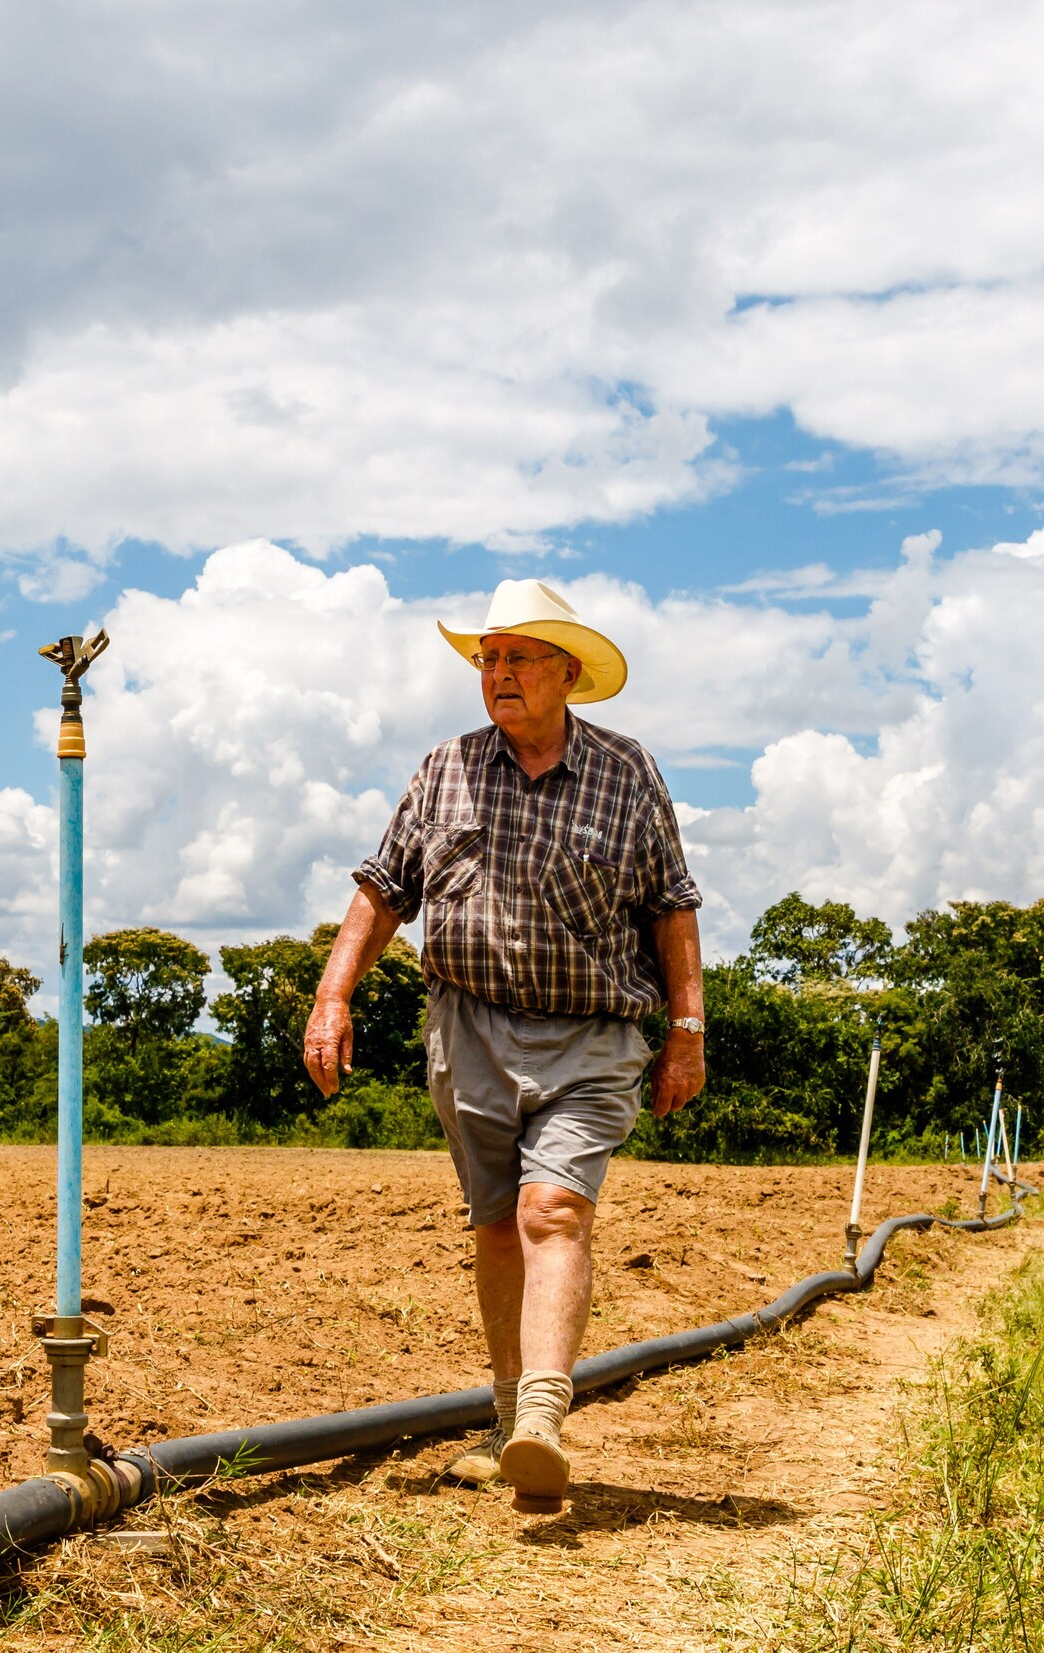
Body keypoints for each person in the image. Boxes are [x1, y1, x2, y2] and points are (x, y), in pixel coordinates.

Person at [302, 578, 706, 1514]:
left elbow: (671, 905)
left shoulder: (626, 772)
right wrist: (332, 997)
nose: (498, 672)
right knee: (495, 1223)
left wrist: (686, 1029)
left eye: (518, 655)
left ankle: (544, 1417)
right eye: (488, 657)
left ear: (567, 671)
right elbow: (382, 887)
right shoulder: (446, 766)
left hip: (593, 1032)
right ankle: (502, 1417)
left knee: (553, 1211)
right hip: (468, 1028)